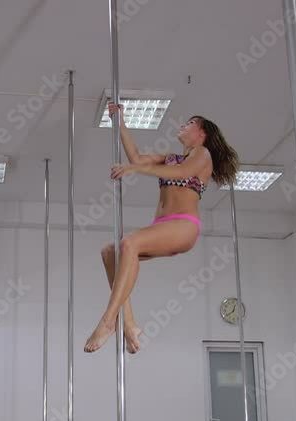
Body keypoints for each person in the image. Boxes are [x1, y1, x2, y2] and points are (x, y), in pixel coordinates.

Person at [84, 102, 239, 353]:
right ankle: (130, 325)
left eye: (190, 123)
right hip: (163, 226)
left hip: (184, 226)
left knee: (129, 243)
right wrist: (119, 120)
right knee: (110, 252)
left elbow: (182, 173)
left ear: (202, 134)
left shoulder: (202, 154)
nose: (184, 125)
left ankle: (108, 320)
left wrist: (137, 170)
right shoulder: (170, 157)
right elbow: (136, 156)